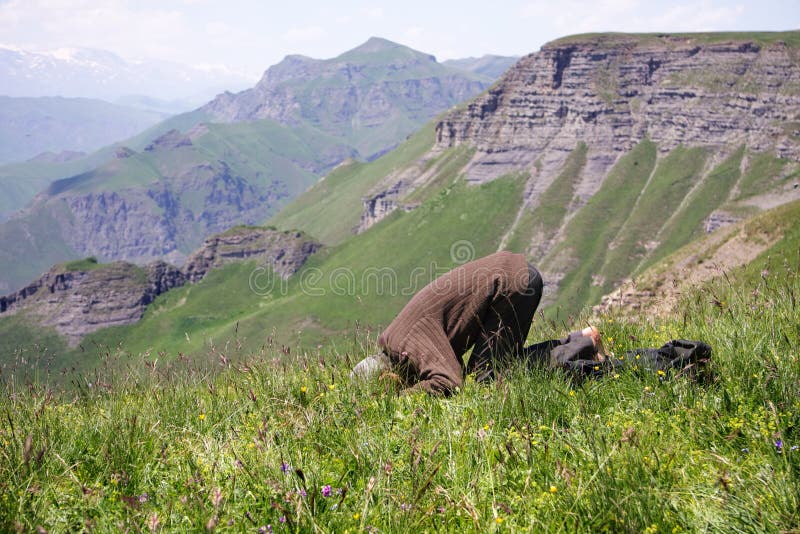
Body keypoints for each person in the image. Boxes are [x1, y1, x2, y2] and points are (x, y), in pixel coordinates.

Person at [351, 251, 605, 395]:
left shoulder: (410, 344)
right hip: (511, 279)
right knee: (498, 370)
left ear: (388, 376)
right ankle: (583, 340)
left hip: (513, 285)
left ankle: (583, 347)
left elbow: (449, 381)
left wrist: (402, 399)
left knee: (485, 381)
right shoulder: (399, 342)